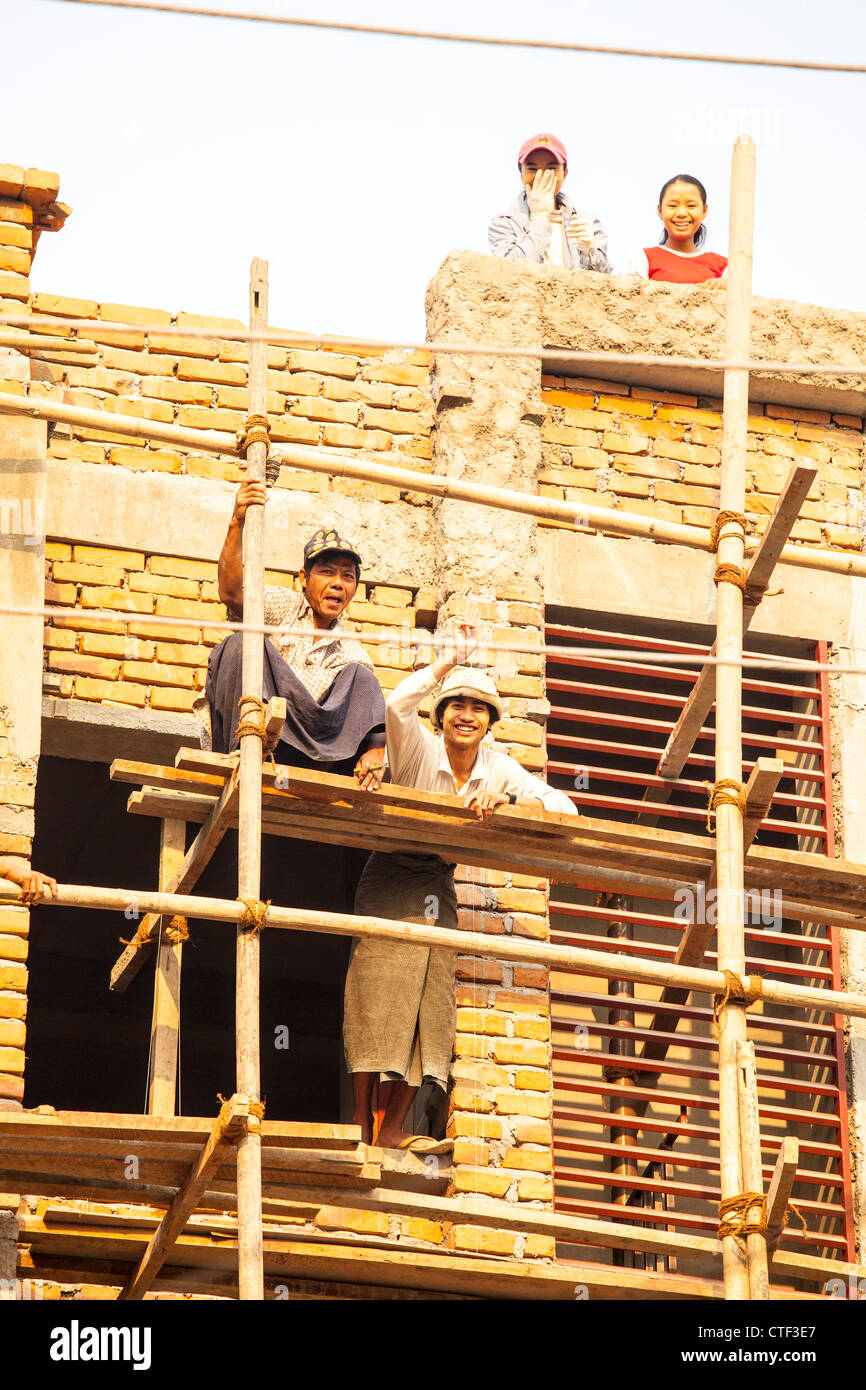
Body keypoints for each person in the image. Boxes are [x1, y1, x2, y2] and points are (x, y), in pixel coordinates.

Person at [343, 629, 576, 1149]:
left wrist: (510, 805)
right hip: (387, 875)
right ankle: (361, 1127)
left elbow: (565, 807)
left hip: (435, 882)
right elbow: (397, 702)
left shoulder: (496, 767)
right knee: (377, 995)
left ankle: (393, 1130)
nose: (466, 715)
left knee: (431, 1003)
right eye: (456, 706)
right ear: (441, 715)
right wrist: (445, 665)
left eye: (478, 709)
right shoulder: (415, 750)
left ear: (490, 723)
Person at [198, 480, 386, 784]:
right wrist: (237, 521)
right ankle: (246, 748)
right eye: (327, 572)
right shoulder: (283, 604)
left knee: (364, 679)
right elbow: (232, 594)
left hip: (312, 753)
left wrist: (377, 748)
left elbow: (367, 710)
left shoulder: (353, 654)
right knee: (239, 644)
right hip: (257, 736)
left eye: (347, 576)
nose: (338, 582)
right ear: (303, 577)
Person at [488, 132, 611, 273]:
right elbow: (510, 272)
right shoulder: (503, 224)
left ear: (565, 173)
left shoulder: (587, 222)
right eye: (532, 169)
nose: (542, 175)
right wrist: (540, 217)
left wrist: (589, 252)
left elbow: (605, 282)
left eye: (551, 169)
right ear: (521, 173)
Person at [621, 174, 727, 284]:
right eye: (672, 206)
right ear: (660, 211)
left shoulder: (724, 268)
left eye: (691, 206)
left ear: (704, 211)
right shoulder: (641, 260)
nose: (681, 213)